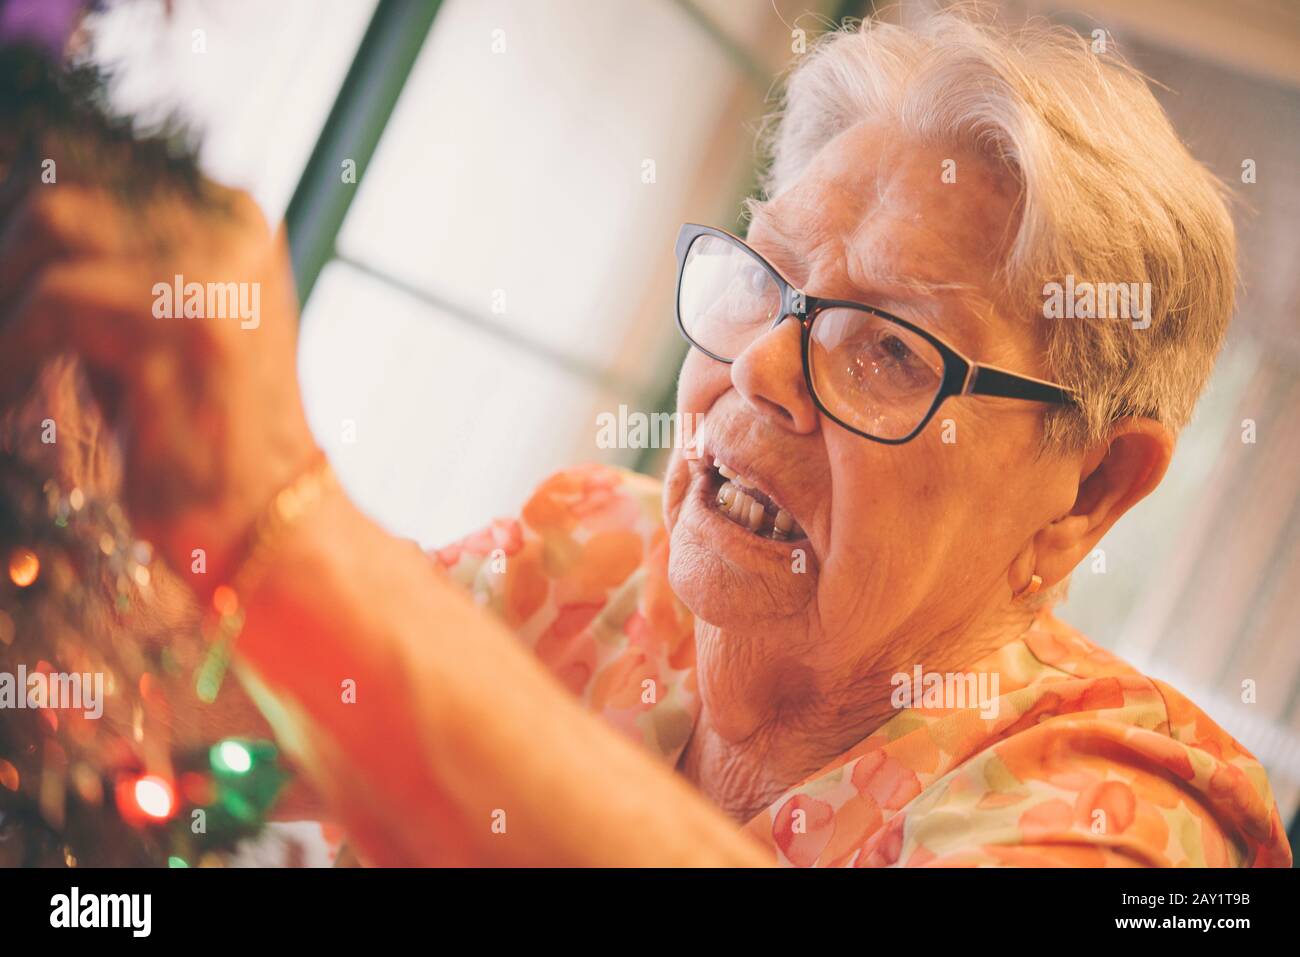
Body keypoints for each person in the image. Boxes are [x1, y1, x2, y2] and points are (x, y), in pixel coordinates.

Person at [1, 8, 1290, 866]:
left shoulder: (1135, 817)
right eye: (765, 278)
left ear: (1092, 489)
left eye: (889, 347)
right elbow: (197, 713)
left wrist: (281, 520)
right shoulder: (594, 558)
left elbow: (307, 592)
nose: (763, 367)